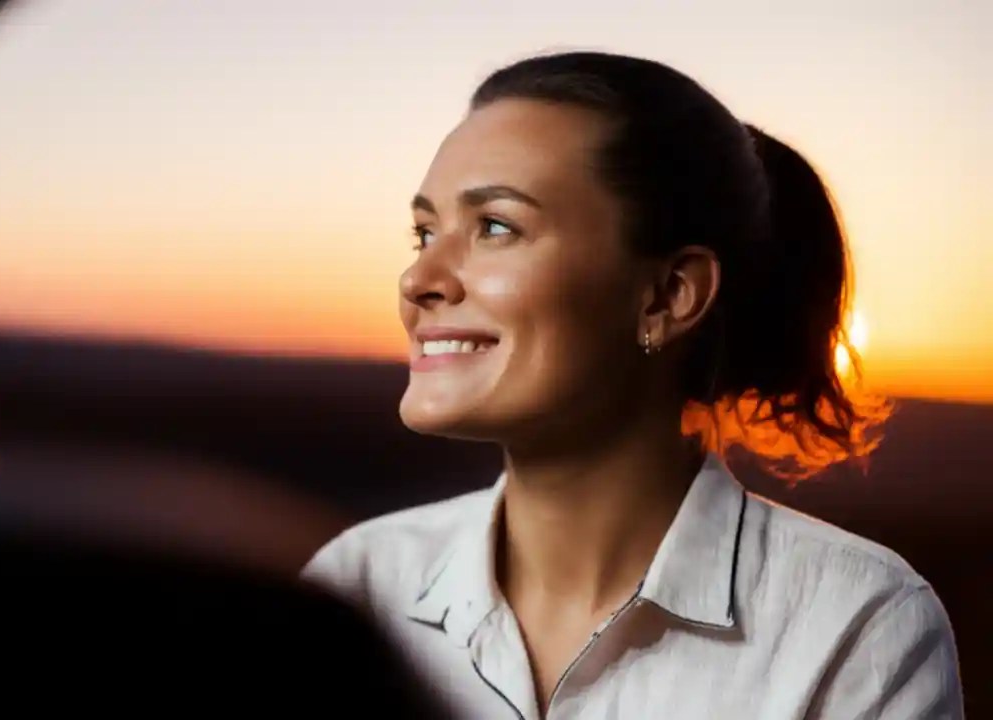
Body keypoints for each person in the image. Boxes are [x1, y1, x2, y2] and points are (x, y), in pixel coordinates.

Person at [302, 51, 963, 719]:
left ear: (669, 295)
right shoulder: (355, 586)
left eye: (496, 227)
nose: (418, 281)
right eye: (424, 233)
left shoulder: (855, 628)